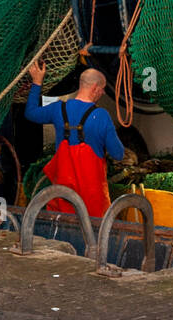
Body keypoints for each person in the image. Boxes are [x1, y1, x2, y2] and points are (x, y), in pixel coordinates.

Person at [24, 60, 123, 217]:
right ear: (95, 88)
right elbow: (118, 154)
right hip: (92, 205)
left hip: (63, 199)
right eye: (103, 89)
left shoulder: (58, 109)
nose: (103, 93)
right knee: (94, 239)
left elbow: (30, 112)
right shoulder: (102, 116)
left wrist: (37, 82)